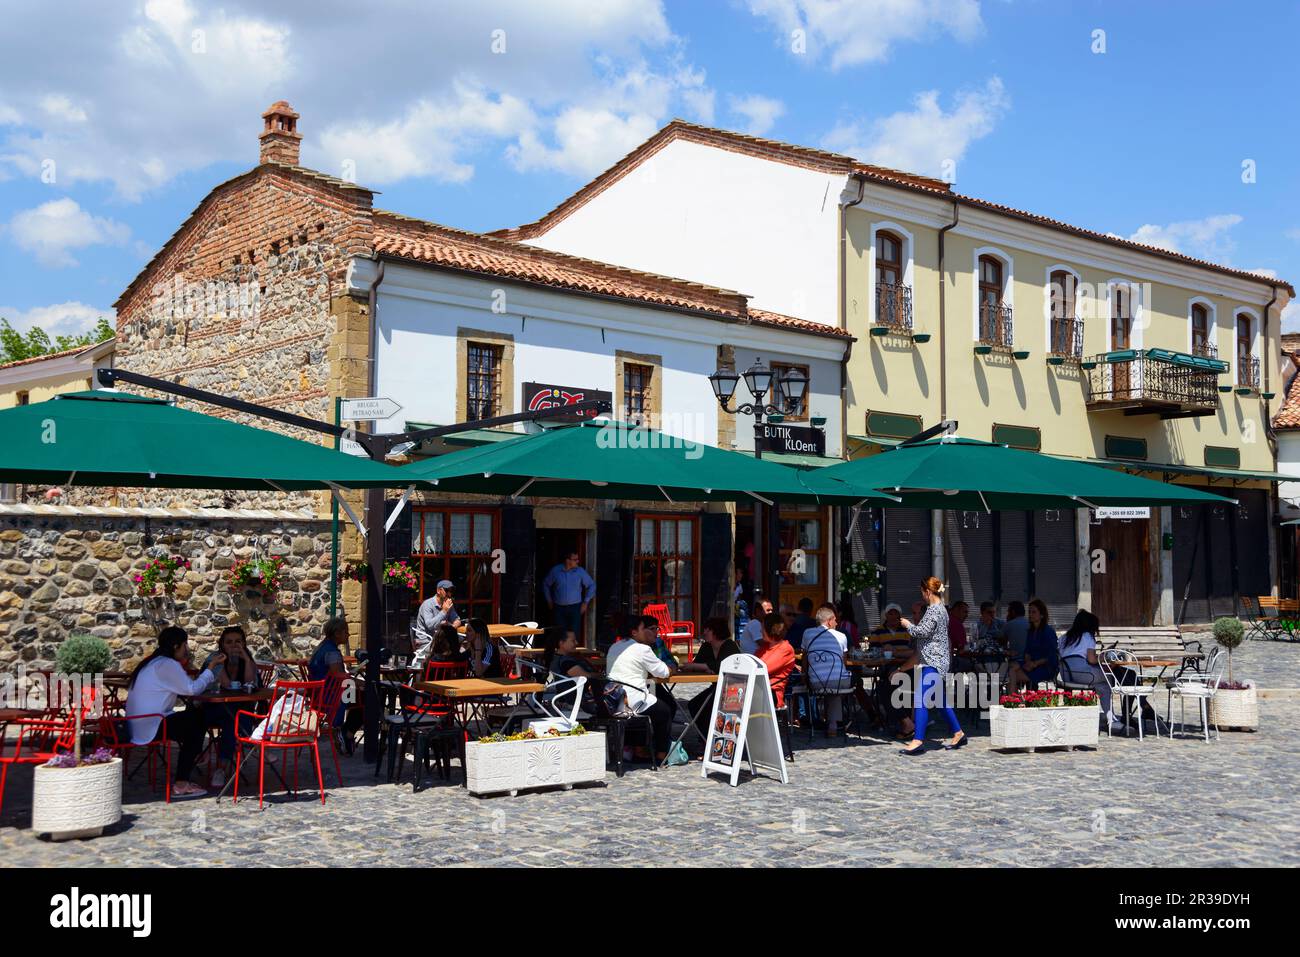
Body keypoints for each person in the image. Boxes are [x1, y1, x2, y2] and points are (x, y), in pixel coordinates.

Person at [126, 626, 226, 797]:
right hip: (151, 724)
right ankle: (182, 782)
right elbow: (192, 689)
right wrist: (211, 668)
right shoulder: (167, 664)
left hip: (137, 723)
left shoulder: (153, 662)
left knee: (193, 718)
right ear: (175, 646)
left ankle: (197, 754)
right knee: (197, 721)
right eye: (184, 645)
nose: (186, 649)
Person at [896, 577, 965, 755]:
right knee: (940, 701)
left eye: (922, 593)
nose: (922, 596)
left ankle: (918, 740)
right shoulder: (942, 609)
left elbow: (921, 632)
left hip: (933, 661)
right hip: (937, 660)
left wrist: (907, 624)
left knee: (920, 698)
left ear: (927, 592)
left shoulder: (934, 611)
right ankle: (958, 733)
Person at [605, 615, 676, 763]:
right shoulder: (642, 649)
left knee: (656, 705)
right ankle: (661, 754)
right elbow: (663, 671)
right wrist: (672, 668)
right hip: (632, 699)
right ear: (634, 632)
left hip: (614, 700)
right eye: (645, 628)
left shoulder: (614, 646)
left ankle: (638, 747)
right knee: (665, 710)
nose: (650, 632)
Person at [200, 626, 262, 788]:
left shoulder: (246, 658)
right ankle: (254, 743)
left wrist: (247, 660)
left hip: (234, 712)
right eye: (229, 642)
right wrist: (226, 660)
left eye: (238, 642)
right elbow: (226, 684)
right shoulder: (215, 659)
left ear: (244, 644)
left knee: (233, 718)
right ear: (222, 644)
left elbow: (251, 683)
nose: (234, 646)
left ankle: (221, 767)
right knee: (235, 717)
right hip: (210, 709)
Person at [679, 617, 741, 738]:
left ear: (717, 631)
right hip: (717, 687)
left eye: (708, 630)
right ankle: (705, 739)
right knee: (694, 705)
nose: (704, 632)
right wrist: (689, 667)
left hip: (731, 689)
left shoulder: (729, 645)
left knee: (706, 707)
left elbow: (721, 666)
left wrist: (701, 666)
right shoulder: (707, 646)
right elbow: (698, 664)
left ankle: (710, 740)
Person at [1058, 609, 1118, 729]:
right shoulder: (1087, 636)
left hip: (1066, 674)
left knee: (1101, 685)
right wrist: (1104, 655)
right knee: (1108, 678)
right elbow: (1091, 660)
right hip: (1083, 674)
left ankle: (1108, 716)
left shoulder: (1064, 637)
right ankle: (1111, 718)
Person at [308, 617, 364, 742]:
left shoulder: (321, 647)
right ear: (337, 633)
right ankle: (347, 733)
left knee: (361, 694)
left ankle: (346, 731)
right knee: (368, 696)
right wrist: (364, 683)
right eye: (346, 632)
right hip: (331, 696)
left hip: (318, 694)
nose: (348, 635)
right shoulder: (332, 652)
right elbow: (341, 678)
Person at [802, 604, 853, 736]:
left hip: (816, 682)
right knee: (837, 684)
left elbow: (805, 658)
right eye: (835, 620)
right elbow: (844, 662)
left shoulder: (807, 633)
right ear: (829, 621)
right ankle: (833, 724)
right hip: (837, 682)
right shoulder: (841, 636)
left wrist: (804, 674)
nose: (837, 623)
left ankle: (827, 719)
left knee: (829, 684)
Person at [542, 550, 596, 641]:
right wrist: (549, 600)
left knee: (574, 634)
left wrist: (586, 602)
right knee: (560, 634)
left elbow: (592, 585)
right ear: (568, 560)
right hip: (559, 608)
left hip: (575, 608)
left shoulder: (580, 571)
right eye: (575, 559)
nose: (578, 561)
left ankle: (573, 654)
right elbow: (546, 584)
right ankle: (560, 654)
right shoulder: (556, 571)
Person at [1007, 599, 1058, 690]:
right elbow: (1027, 651)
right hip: (1031, 663)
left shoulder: (1048, 631)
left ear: (1041, 615)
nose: (1030, 615)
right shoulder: (1031, 631)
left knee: (1011, 676)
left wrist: (1034, 664)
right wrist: (1028, 662)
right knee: (1011, 667)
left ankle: (1013, 699)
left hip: (1045, 667)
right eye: (1029, 612)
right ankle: (1014, 698)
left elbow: (1051, 655)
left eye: (1033, 612)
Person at [755, 612, 796, 710]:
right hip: (757, 689)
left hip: (770, 693)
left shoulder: (785, 649)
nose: (760, 630)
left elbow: (762, 668)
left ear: (771, 629)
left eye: (763, 628)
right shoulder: (762, 648)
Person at [413, 580, 459, 662]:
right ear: (438, 590)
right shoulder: (427, 605)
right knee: (451, 650)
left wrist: (452, 626)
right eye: (447, 590)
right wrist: (444, 611)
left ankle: (453, 671)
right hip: (427, 641)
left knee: (463, 644)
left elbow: (457, 619)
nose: (449, 594)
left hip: (442, 640)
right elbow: (430, 625)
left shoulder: (448, 604)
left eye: (451, 591)